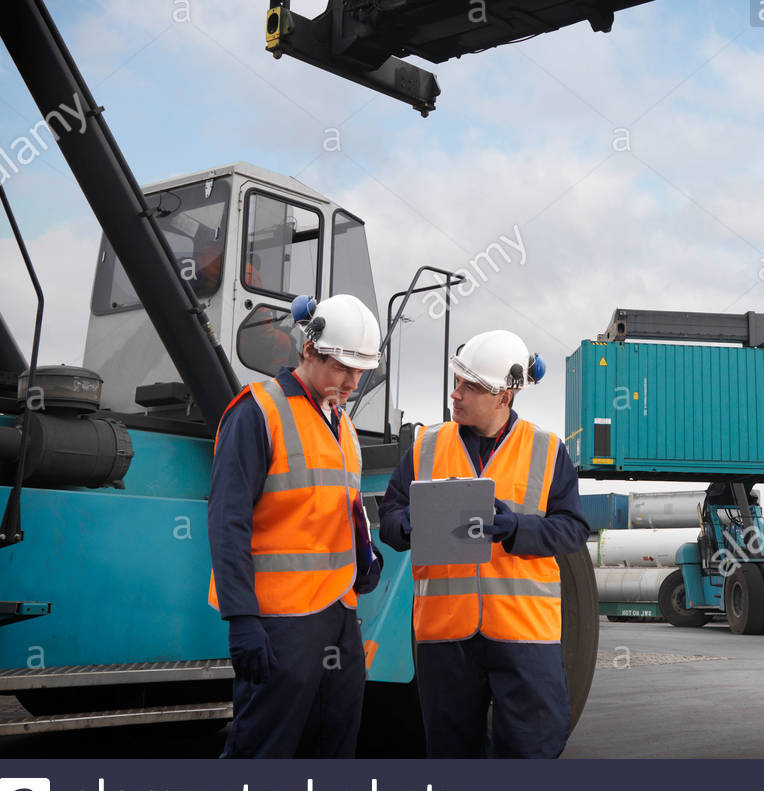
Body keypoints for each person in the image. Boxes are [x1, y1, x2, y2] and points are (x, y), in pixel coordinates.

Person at [378, 329, 589, 759]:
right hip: (445, 636)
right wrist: (411, 524)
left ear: (504, 395)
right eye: (457, 381)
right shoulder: (425, 446)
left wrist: (516, 529)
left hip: (524, 634)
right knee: (451, 756)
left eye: (469, 386)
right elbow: (389, 522)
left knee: (532, 751)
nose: (455, 394)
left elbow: (572, 530)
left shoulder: (548, 450)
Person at [207, 293, 383, 758]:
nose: (350, 383)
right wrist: (241, 617)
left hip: (339, 614)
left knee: (333, 745)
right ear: (309, 349)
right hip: (279, 623)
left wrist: (366, 556)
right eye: (342, 368)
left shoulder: (342, 425)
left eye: (359, 372)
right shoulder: (257, 412)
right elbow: (228, 522)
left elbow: (345, 507)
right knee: (262, 753)